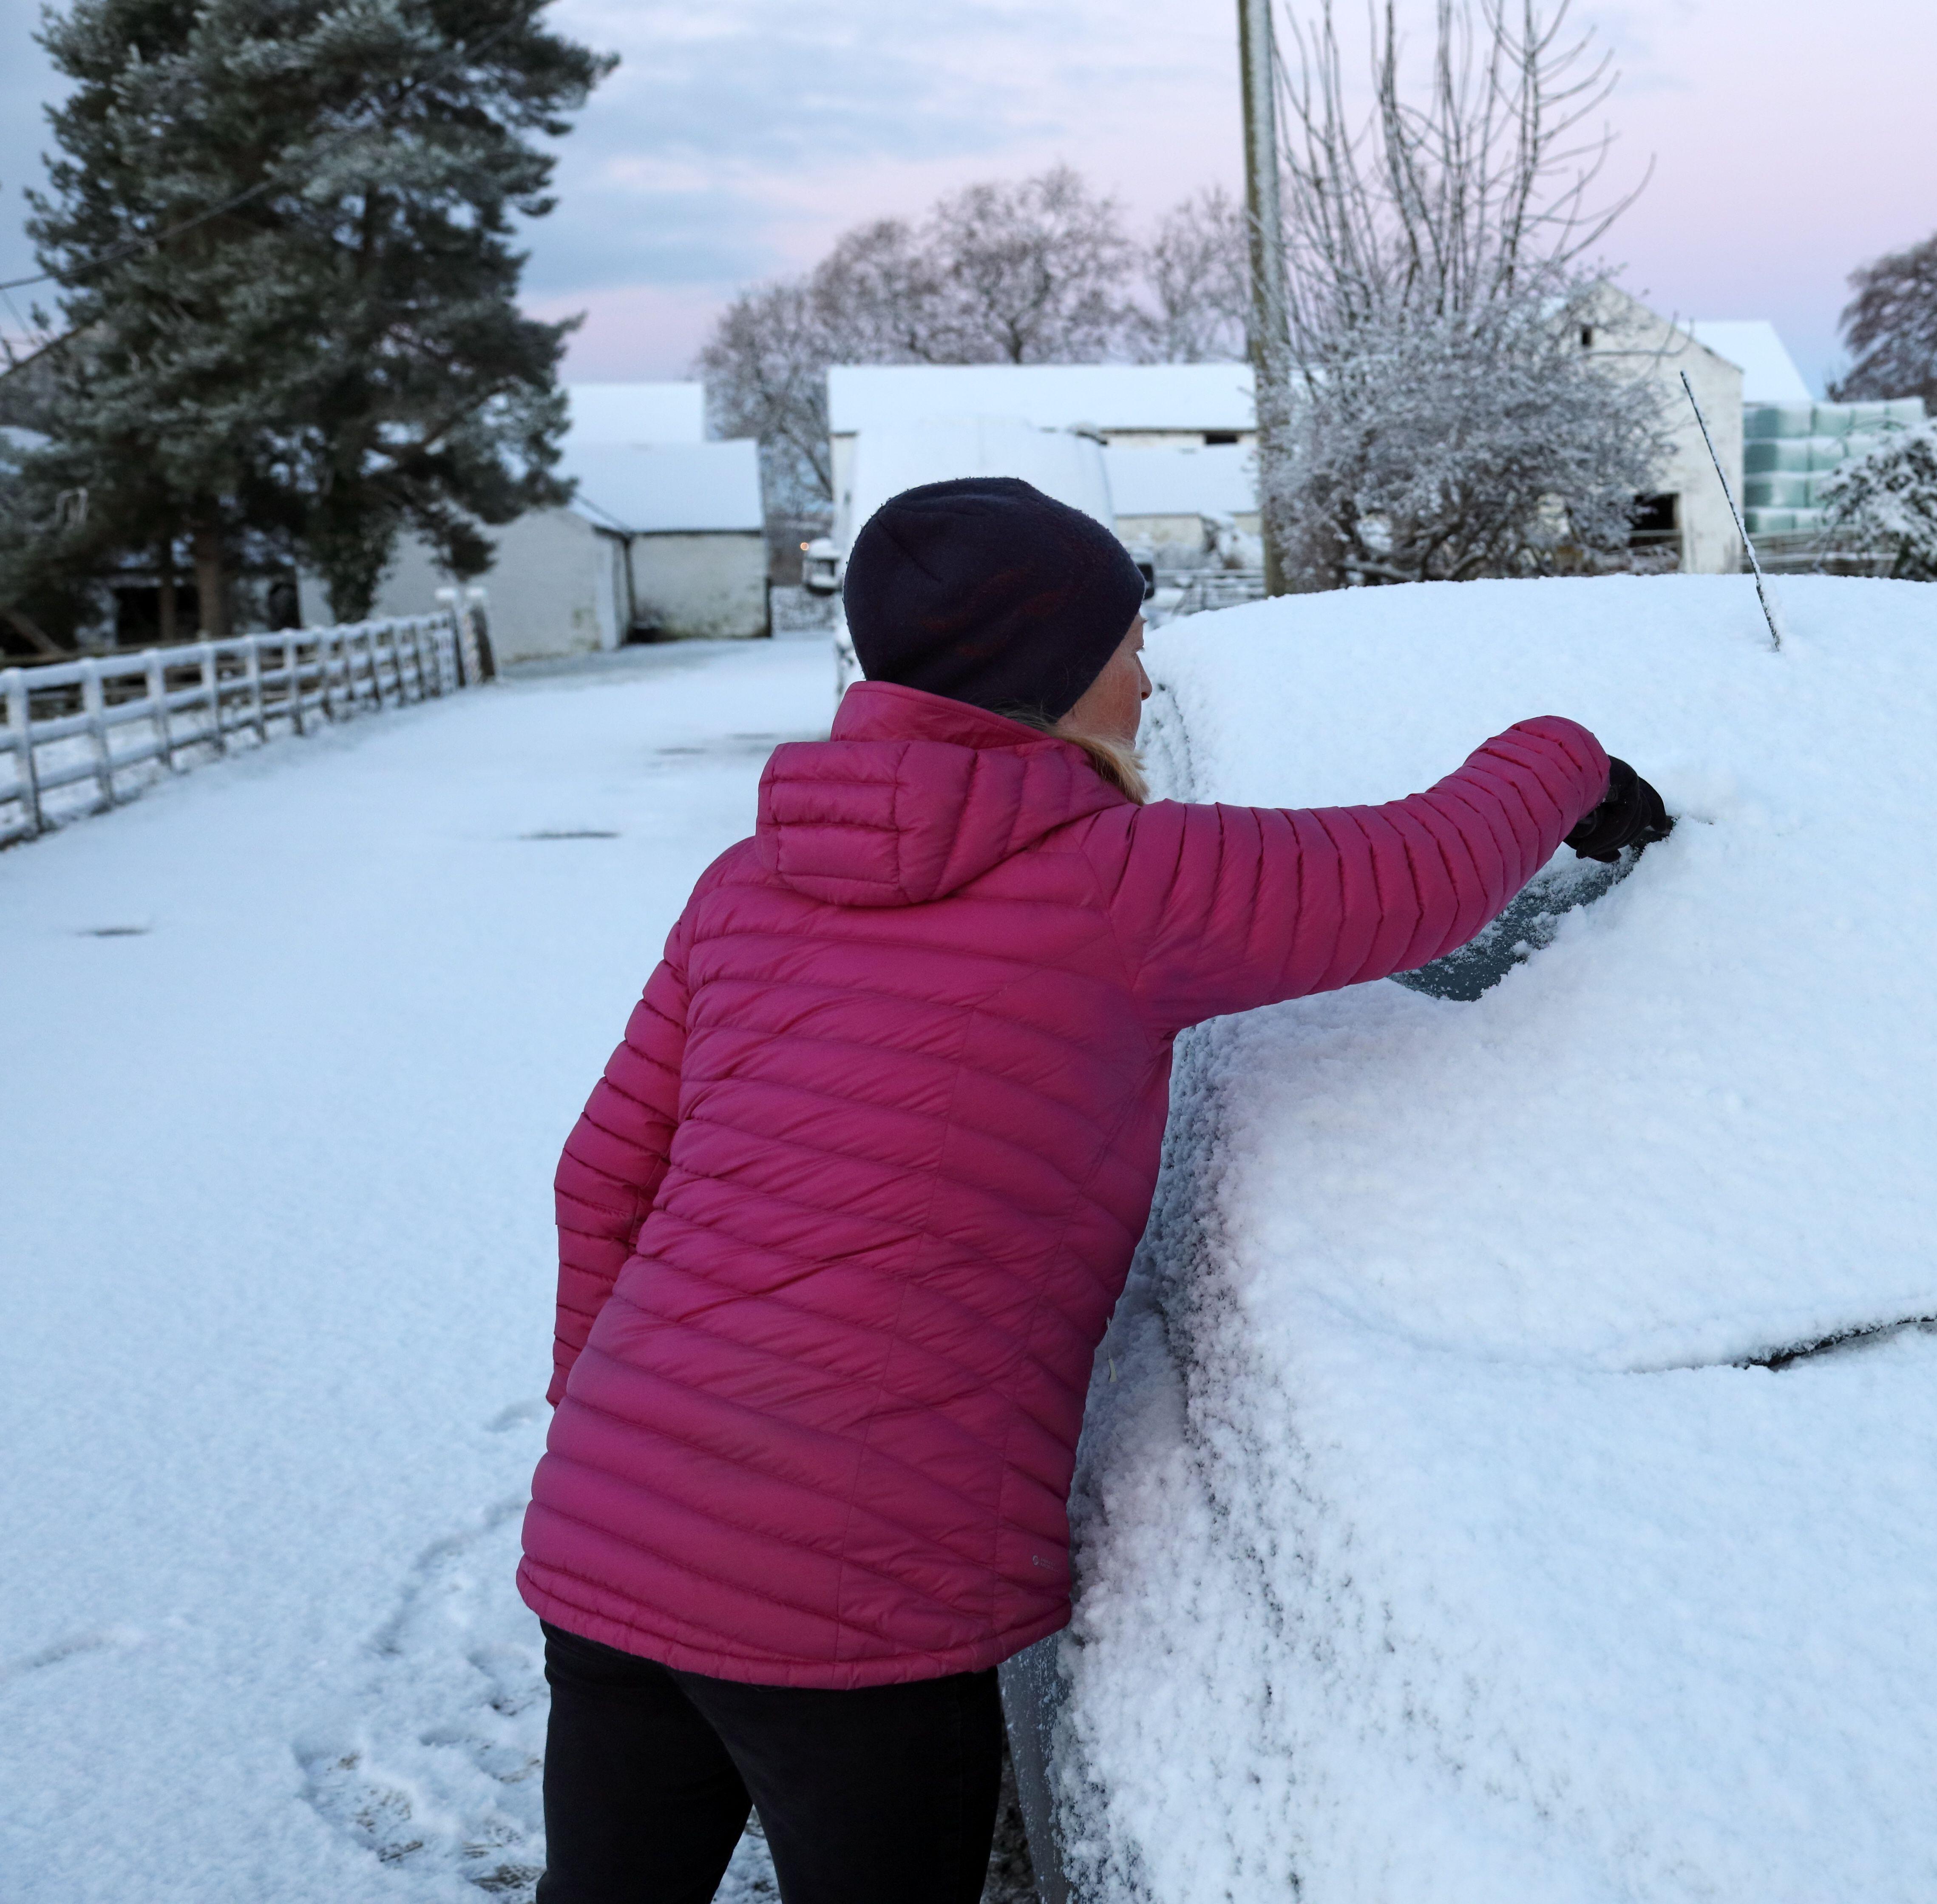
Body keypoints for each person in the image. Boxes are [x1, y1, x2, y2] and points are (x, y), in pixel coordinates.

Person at [517, 476, 1672, 1904]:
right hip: (855, 1597)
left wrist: (614, 1436)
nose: (1146, 668)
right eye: (1127, 634)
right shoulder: (1122, 885)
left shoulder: (746, 884)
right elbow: (1424, 874)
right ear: (1046, 671)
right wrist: (1570, 754)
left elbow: (601, 1180)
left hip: (609, 1534)